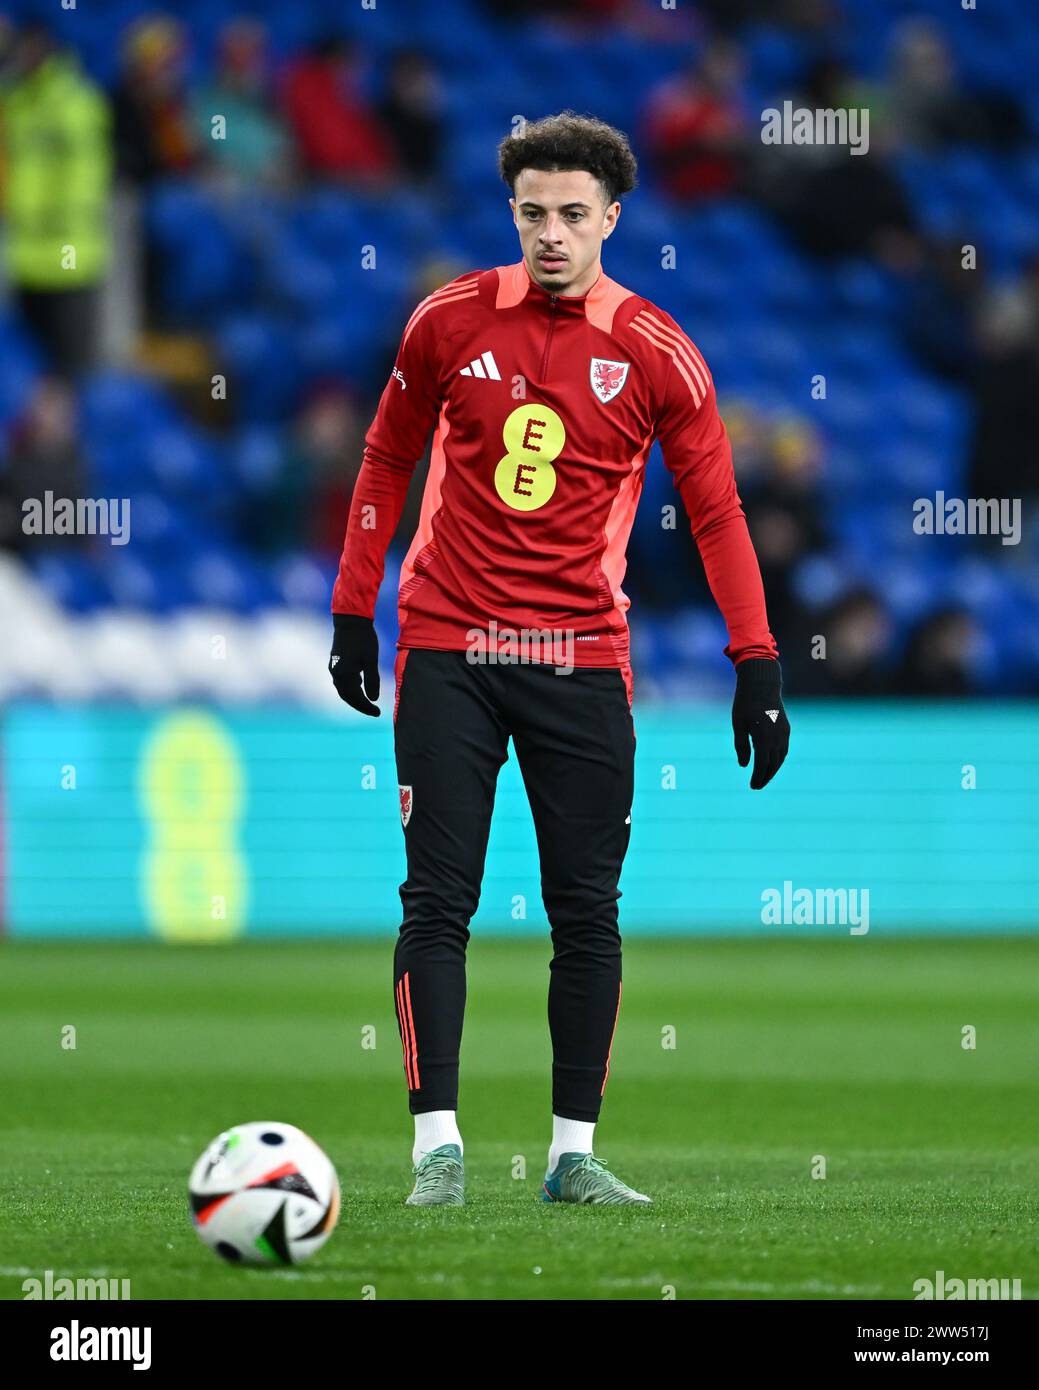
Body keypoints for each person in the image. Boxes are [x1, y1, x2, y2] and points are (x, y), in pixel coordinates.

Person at [327, 112, 790, 1206]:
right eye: (532, 212)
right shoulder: (445, 321)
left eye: (572, 215)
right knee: (437, 898)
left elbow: (717, 511)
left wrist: (756, 661)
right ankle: (435, 1148)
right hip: (447, 645)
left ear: (611, 219)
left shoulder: (655, 349)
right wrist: (354, 610)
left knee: (587, 910)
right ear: (512, 212)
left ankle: (569, 1154)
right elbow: (387, 452)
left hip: (580, 659)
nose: (550, 233)